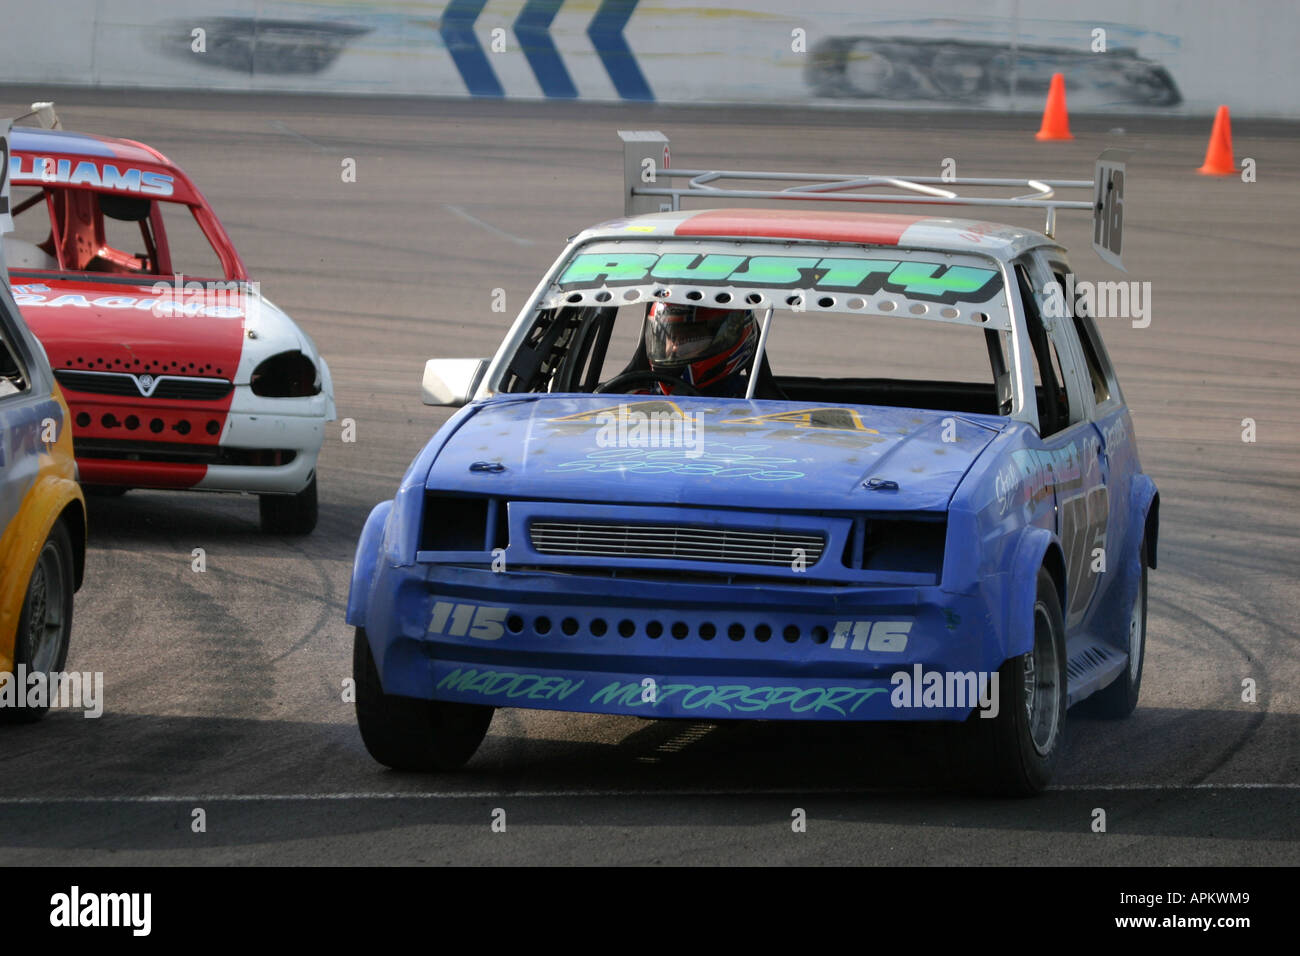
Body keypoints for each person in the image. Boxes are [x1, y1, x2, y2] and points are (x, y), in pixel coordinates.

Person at [641, 301, 758, 397]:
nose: (675, 347)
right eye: (671, 337)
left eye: (688, 336)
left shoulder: (748, 407)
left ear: (725, 337)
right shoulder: (641, 395)